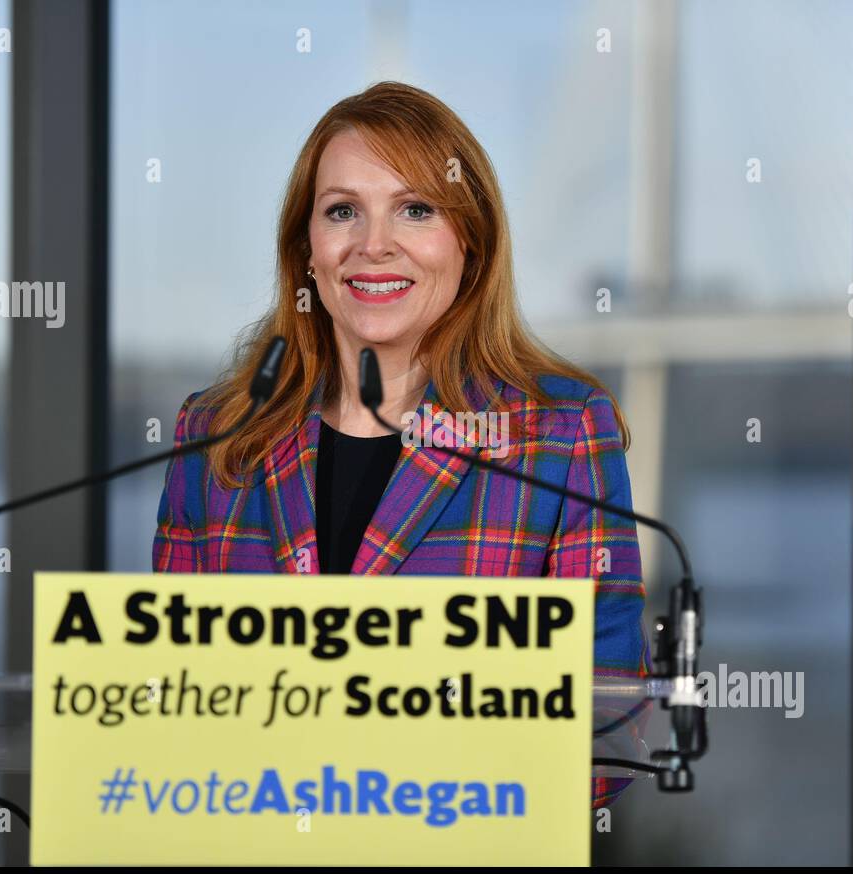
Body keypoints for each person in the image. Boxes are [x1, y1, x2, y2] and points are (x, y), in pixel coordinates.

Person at [154, 80, 647, 808]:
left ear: (470, 243)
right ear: (308, 251)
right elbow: (161, 708)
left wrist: (391, 780)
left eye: (416, 210)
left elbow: (612, 727)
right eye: (342, 211)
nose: (373, 244)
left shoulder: (560, 436)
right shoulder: (216, 436)